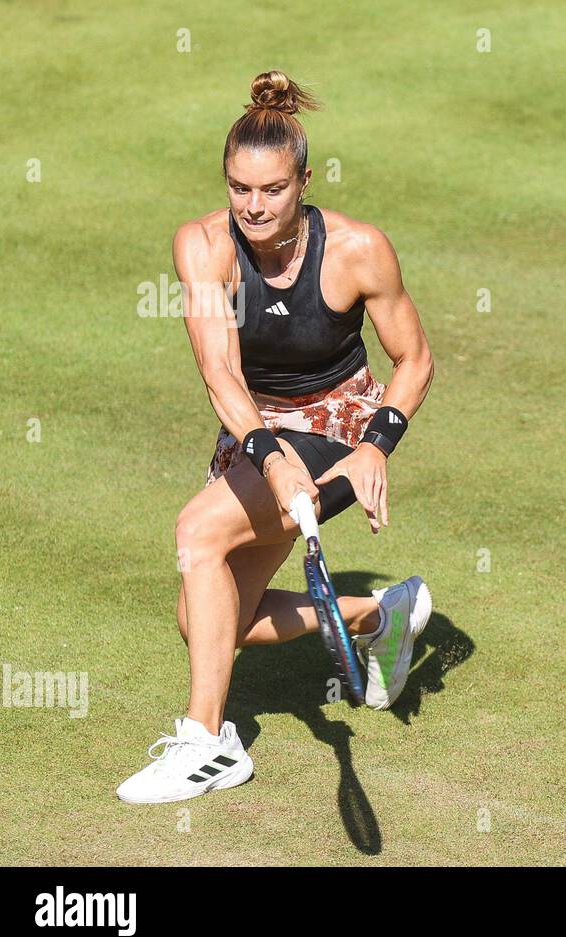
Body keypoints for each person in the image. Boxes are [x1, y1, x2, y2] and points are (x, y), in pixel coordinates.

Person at [117, 70, 434, 804]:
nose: (253, 207)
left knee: (198, 532)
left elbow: (413, 359)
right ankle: (380, 612)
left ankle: (208, 745)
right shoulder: (202, 245)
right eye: (239, 189)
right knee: (206, 624)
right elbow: (218, 371)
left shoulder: (358, 249)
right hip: (255, 423)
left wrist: (375, 446)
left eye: (272, 190)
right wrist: (268, 455)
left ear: (304, 182)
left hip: (340, 422)